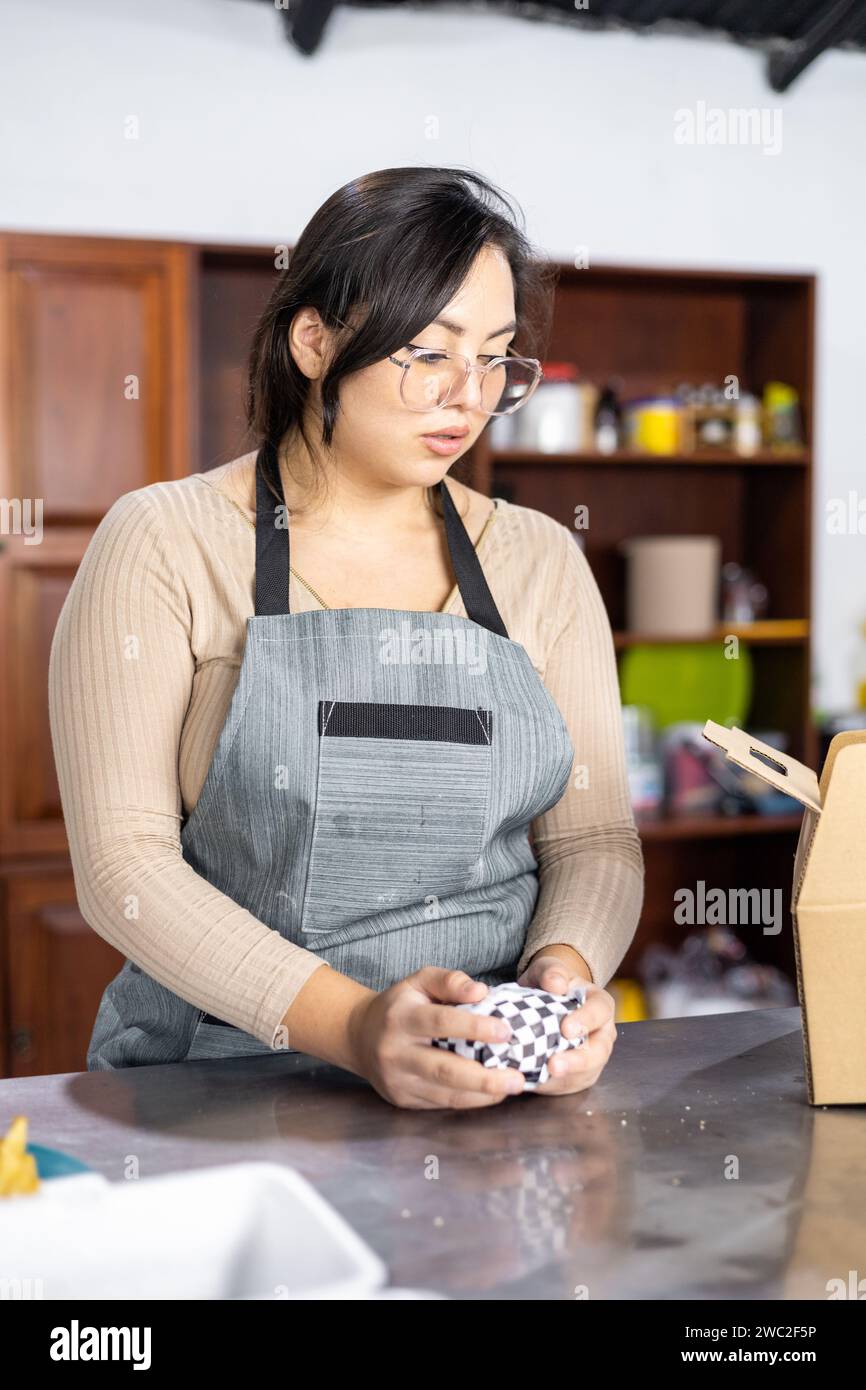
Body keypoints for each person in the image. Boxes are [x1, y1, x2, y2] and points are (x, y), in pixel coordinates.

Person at [49, 166, 644, 1108]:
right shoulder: (163, 541)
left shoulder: (538, 560)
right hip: (219, 1089)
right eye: (430, 353)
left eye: (496, 358)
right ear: (315, 342)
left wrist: (562, 979)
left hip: (482, 1079)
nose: (470, 395)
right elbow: (123, 869)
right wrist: (359, 1029)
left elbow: (595, 838)